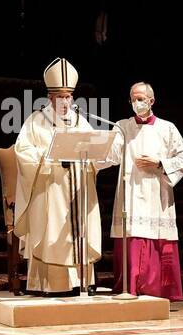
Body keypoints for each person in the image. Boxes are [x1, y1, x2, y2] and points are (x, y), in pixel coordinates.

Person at [13, 57, 114, 295]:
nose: (66, 102)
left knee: (79, 227)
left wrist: (101, 153)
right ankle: (50, 284)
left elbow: (92, 150)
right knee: (51, 226)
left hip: (78, 187)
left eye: (69, 97)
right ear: (50, 97)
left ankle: (81, 281)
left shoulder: (81, 121)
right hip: (50, 187)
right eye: (60, 97)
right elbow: (23, 151)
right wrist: (47, 158)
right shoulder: (36, 121)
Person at [107, 81, 183, 300]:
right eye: (133, 99)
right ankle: (130, 287)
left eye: (141, 99)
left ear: (151, 101)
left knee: (156, 234)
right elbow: (111, 155)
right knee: (132, 233)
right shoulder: (121, 127)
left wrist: (160, 163)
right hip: (131, 191)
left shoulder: (167, 128)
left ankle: (157, 288)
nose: (136, 103)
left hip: (156, 191)